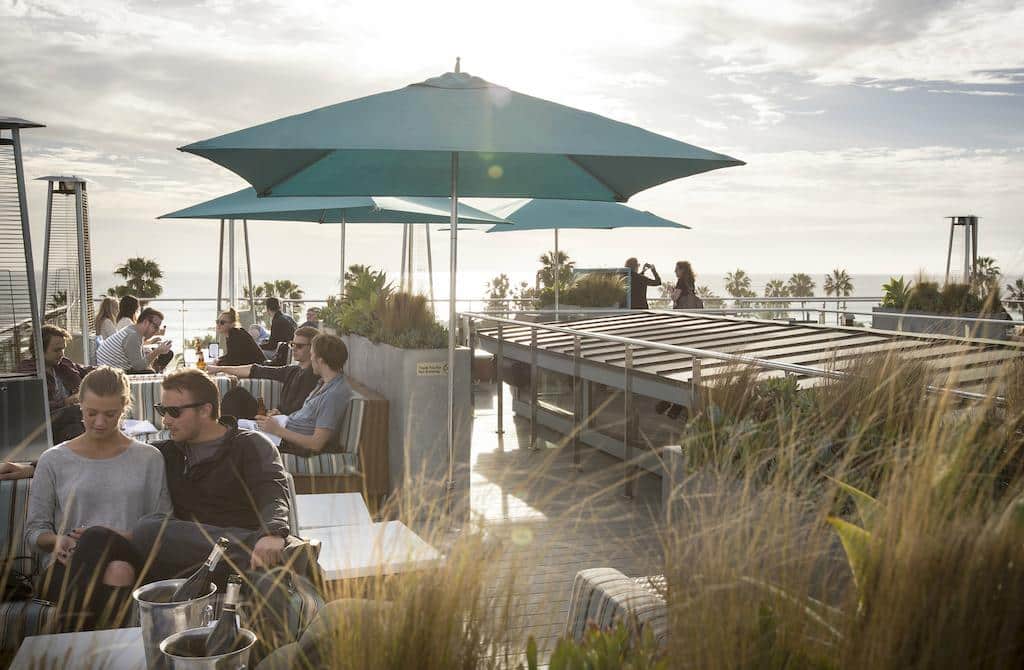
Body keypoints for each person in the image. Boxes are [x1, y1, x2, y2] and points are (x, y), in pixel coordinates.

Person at [128, 369, 312, 583]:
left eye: (174, 411)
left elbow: (272, 491)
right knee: (148, 530)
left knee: (269, 574)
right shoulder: (164, 453)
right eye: (162, 410)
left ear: (205, 410)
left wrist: (272, 532)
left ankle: (262, 551)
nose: (166, 420)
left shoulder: (249, 444)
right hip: (199, 558)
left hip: (248, 563)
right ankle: (272, 552)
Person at [24, 367, 171, 630]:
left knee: (97, 537)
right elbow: (35, 532)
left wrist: (113, 535)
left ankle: (69, 642)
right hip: (66, 567)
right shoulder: (53, 460)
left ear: (124, 407)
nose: (100, 422)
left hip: (132, 553)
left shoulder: (149, 458)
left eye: (110, 414)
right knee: (117, 571)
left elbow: (162, 527)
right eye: (91, 413)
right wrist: (57, 541)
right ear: (80, 406)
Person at [256, 333, 352, 457]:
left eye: (312, 355)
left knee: (240, 442)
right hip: (283, 432)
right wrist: (281, 418)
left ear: (320, 360)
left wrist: (277, 430)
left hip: (290, 444)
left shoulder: (333, 395)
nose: (311, 359)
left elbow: (316, 444)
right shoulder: (323, 383)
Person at [208, 326, 320, 419]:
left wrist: (280, 415)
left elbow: (305, 410)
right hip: (276, 418)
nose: (294, 349)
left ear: (313, 348)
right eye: (292, 344)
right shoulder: (293, 370)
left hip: (287, 424)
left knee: (235, 400)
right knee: (237, 394)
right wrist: (219, 369)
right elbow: (255, 370)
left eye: (299, 346)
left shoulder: (315, 376)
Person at [16, 325, 92, 442]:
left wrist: (110, 371)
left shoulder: (63, 364)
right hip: (42, 423)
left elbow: (85, 370)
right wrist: (66, 402)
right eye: (57, 350)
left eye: (63, 349)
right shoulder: (28, 373)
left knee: (75, 429)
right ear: (40, 349)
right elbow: (34, 407)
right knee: (80, 411)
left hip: (66, 422)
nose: (61, 354)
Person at [96, 307, 172, 374]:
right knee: (150, 373)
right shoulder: (133, 336)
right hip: (110, 374)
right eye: (155, 327)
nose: (156, 331)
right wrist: (157, 351)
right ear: (145, 322)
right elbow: (139, 366)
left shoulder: (132, 329)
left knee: (149, 363)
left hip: (107, 369)